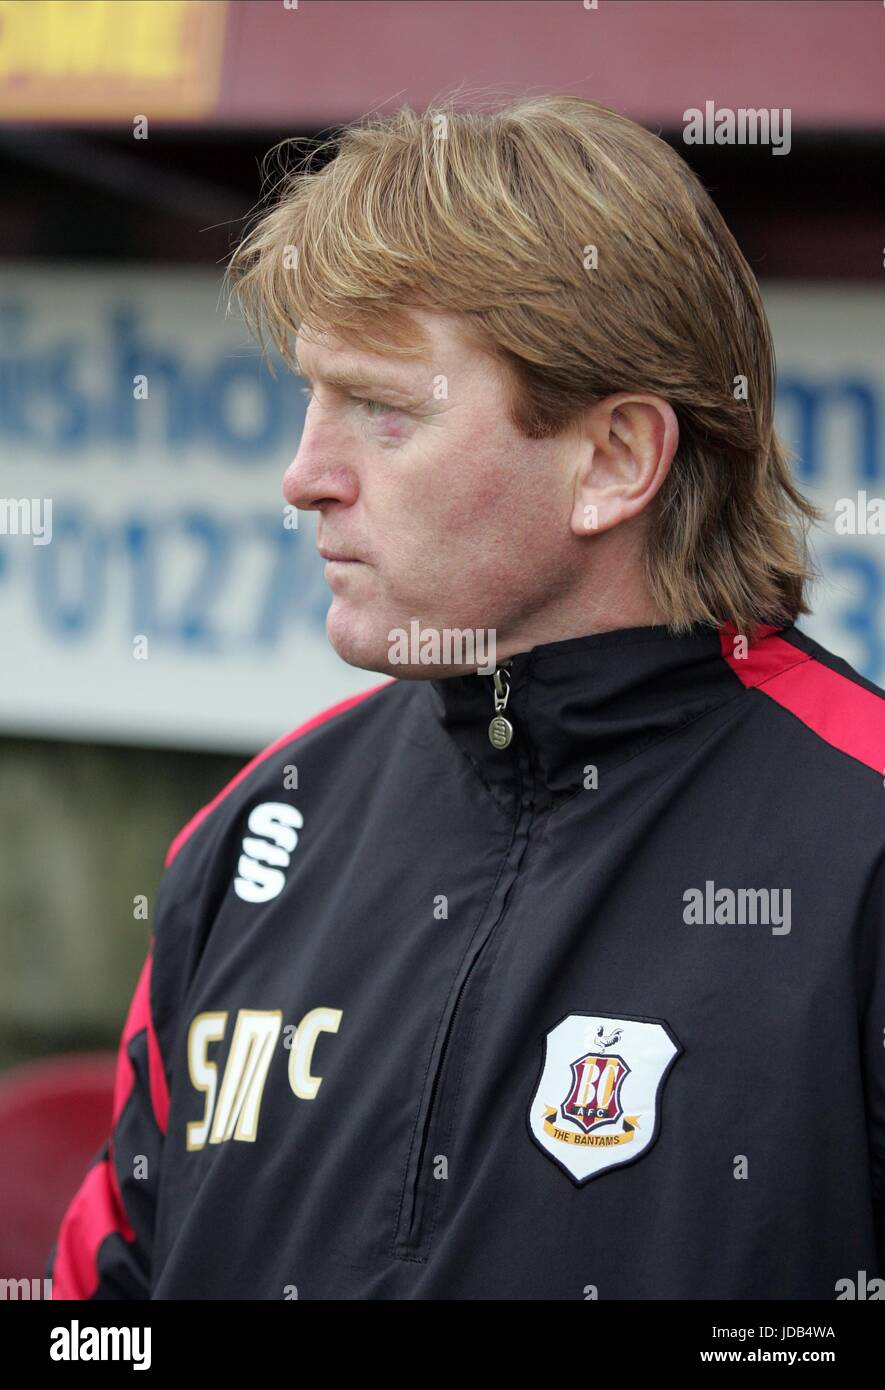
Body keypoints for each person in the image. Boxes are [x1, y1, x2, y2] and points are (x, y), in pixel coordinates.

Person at [48, 96, 884, 1300]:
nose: (303, 477)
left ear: (613, 460)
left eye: (385, 411)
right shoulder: (251, 837)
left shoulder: (859, 842)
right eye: (309, 396)